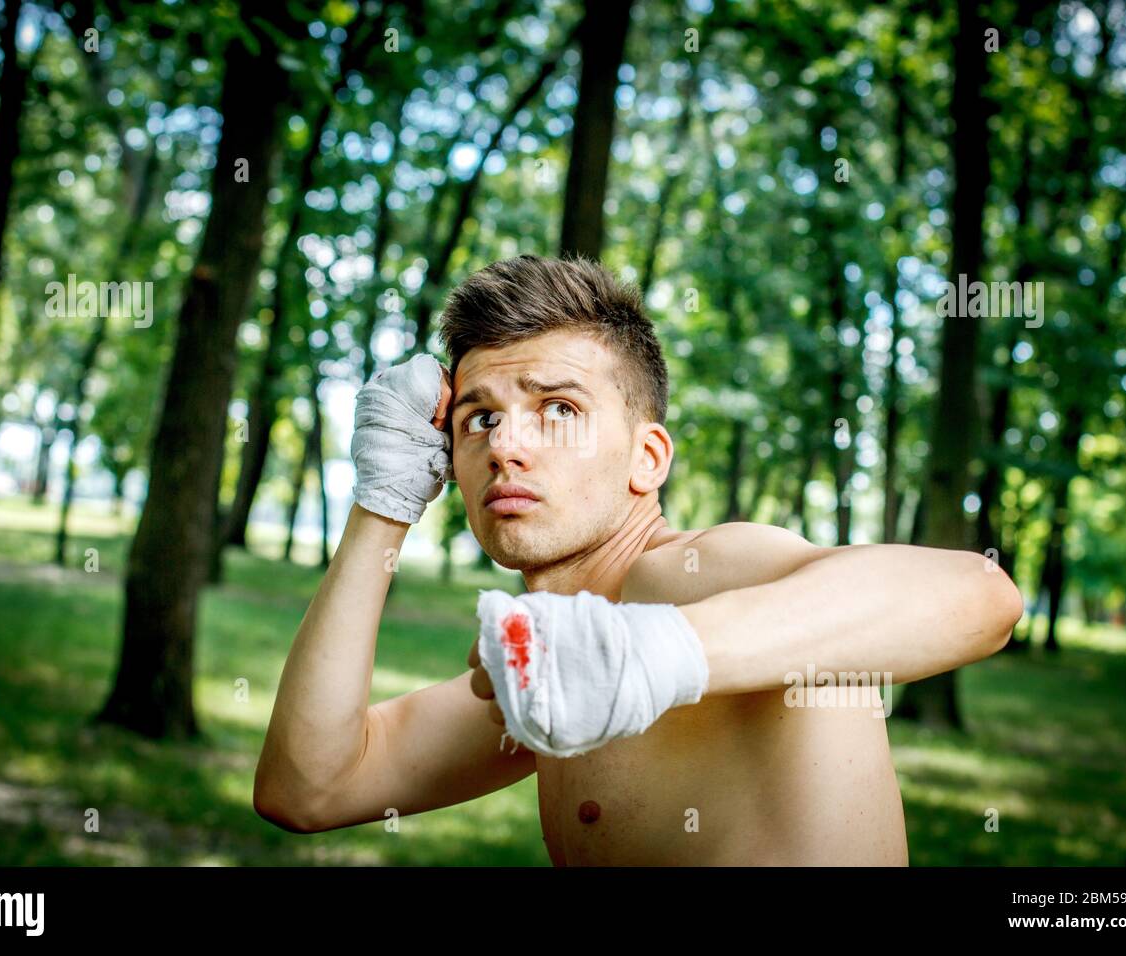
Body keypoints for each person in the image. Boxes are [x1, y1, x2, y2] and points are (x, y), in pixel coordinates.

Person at [253, 254, 1023, 865]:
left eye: (559, 409)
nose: (506, 445)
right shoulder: (559, 671)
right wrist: (383, 503)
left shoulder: (690, 580)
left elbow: (981, 595)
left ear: (647, 458)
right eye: (479, 417)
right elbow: (309, 787)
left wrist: (646, 655)